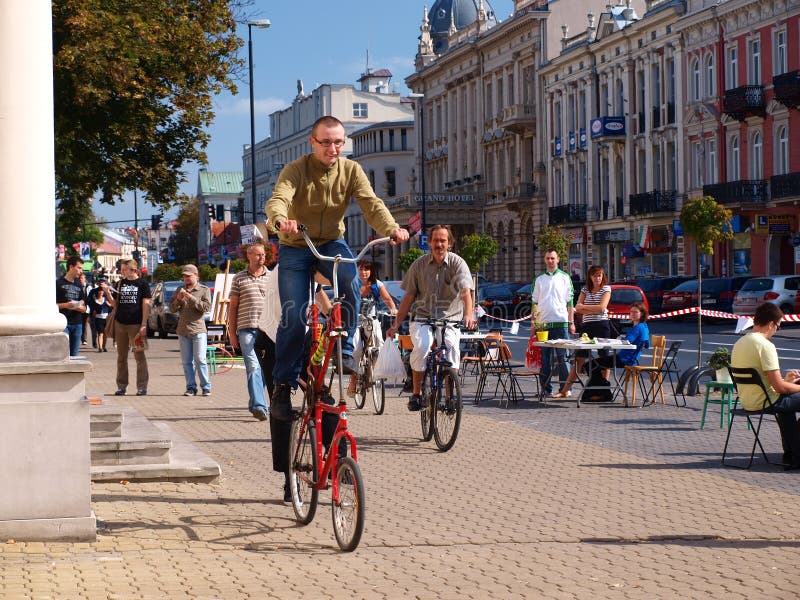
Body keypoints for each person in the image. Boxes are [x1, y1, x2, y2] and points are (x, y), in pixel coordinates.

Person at [266, 115, 409, 421]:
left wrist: (392, 228)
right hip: (295, 244)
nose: (333, 149)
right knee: (294, 317)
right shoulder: (296, 169)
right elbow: (278, 199)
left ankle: (344, 349)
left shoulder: (351, 170)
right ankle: (282, 386)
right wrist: (280, 221)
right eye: (326, 142)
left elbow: (371, 204)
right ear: (313, 142)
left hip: (331, 242)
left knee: (350, 278)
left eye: (339, 143)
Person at [385, 225, 476, 411]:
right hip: (422, 317)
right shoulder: (419, 265)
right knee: (422, 347)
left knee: (451, 348)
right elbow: (409, 298)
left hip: (450, 317)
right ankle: (416, 393)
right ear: (429, 243)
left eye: (443, 240)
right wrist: (396, 325)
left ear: (449, 243)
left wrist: (468, 314)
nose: (439, 244)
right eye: (435, 240)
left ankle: (451, 397)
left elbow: (466, 293)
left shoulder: (458, 263)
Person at [731, 302, 800, 470]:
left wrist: (787, 381)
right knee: (788, 403)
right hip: (767, 400)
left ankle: (792, 455)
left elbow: (772, 384)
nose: (777, 330)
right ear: (770, 324)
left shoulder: (740, 343)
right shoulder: (765, 345)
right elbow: (779, 389)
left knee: (787, 410)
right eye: (778, 326)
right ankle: (794, 455)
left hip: (748, 401)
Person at [228, 243, 272, 421]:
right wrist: (232, 333)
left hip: (267, 330)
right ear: (249, 256)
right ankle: (259, 406)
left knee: (264, 369)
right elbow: (233, 307)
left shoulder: (271, 277)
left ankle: (255, 401)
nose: (262, 257)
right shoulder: (239, 278)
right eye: (258, 254)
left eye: (263, 255)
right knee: (253, 366)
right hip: (246, 328)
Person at [555, 265, 611, 398]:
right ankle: (565, 390)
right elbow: (577, 308)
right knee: (579, 358)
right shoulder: (585, 289)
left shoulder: (606, 289)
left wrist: (585, 307)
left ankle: (603, 390)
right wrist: (591, 308)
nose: (597, 278)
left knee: (604, 358)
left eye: (599, 275)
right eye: (594, 276)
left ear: (603, 276)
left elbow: (602, 308)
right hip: (587, 326)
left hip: (602, 325)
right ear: (590, 277)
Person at [530, 249, 575, 396]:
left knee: (564, 358)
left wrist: (571, 322)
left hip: (561, 323)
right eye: (548, 258)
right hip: (543, 325)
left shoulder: (565, 277)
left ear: (558, 259)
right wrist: (533, 323)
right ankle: (546, 389)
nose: (550, 261)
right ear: (544, 260)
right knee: (545, 359)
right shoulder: (539, 279)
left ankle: (565, 389)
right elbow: (534, 303)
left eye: (553, 258)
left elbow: (570, 302)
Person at [170, 264, 212, 397]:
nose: (186, 278)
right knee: (187, 362)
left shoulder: (204, 290)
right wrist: (178, 299)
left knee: (200, 359)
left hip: (198, 330)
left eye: (189, 276)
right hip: (183, 330)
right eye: (184, 276)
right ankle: (191, 388)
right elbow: (172, 309)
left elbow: (206, 308)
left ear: (196, 276)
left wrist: (191, 297)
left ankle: (206, 387)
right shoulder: (179, 289)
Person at [113, 259, 151, 396]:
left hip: (136, 324)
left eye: (124, 269)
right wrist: (107, 293)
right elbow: (114, 304)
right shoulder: (120, 283)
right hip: (120, 324)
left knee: (139, 356)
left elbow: (146, 304)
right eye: (121, 269)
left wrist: (143, 324)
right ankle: (121, 386)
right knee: (121, 357)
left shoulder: (142, 283)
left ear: (133, 270)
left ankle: (142, 386)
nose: (122, 272)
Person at [56, 256, 86, 357]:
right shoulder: (59, 283)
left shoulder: (79, 284)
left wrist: (81, 308)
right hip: (63, 323)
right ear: (71, 267)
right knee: (64, 354)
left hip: (77, 324)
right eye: (79, 268)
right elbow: (52, 306)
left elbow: (85, 306)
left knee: (74, 355)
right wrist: (66, 305)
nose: (81, 271)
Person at [89, 281, 112, 353]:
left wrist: (109, 305)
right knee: (100, 333)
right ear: (97, 292)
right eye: (100, 291)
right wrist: (91, 315)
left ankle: (104, 346)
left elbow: (112, 306)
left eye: (102, 291)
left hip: (106, 318)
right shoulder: (95, 301)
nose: (101, 292)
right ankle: (100, 347)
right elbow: (92, 309)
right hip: (98, 318)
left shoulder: (106, 299)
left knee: (105, 333)